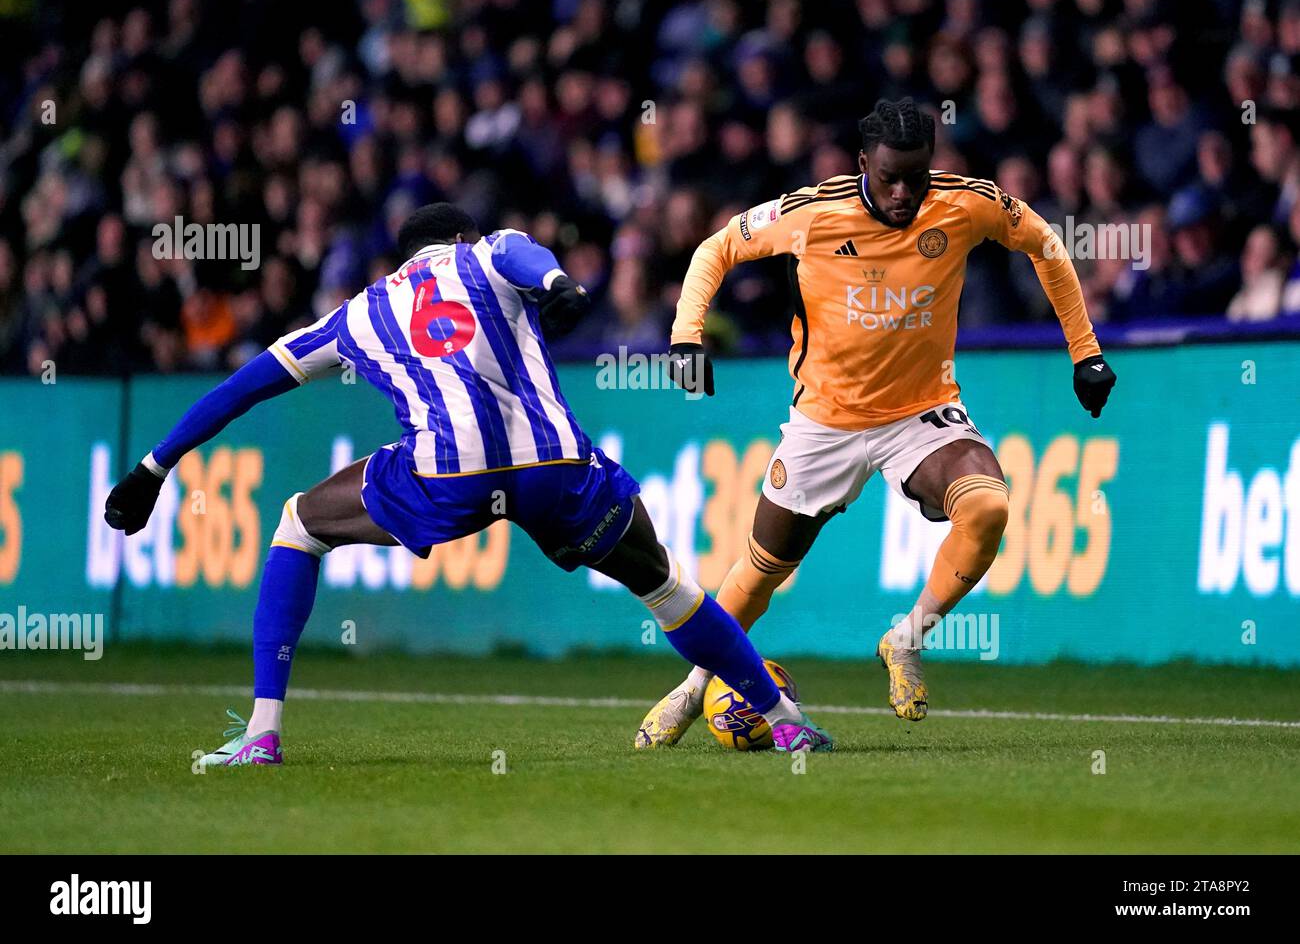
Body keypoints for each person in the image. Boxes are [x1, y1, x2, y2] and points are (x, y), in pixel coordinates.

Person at [105, 203, 834, 763]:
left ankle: (263, 732)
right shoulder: (487, 256)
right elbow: (522, 252)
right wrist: (559, 284)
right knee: (669, 588)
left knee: (300, 522)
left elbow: (242, 386)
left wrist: (154, 466)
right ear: (459, 239)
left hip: (445, 477)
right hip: (556, 470)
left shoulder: (362, 311)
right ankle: (785, 724)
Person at [637, 97, 1116, 747]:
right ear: (864, 163)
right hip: (824, 421)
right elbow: (715, 250)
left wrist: (1085, 352)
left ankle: (905, 640)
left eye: (916, 177)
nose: (902, 192)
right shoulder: (811, 213)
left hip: (920, 412)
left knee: (989, 509)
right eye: (889, 176)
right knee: (760, 572)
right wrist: (687, 336)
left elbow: (1046, 246)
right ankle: (693, 690)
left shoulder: (965, 203)